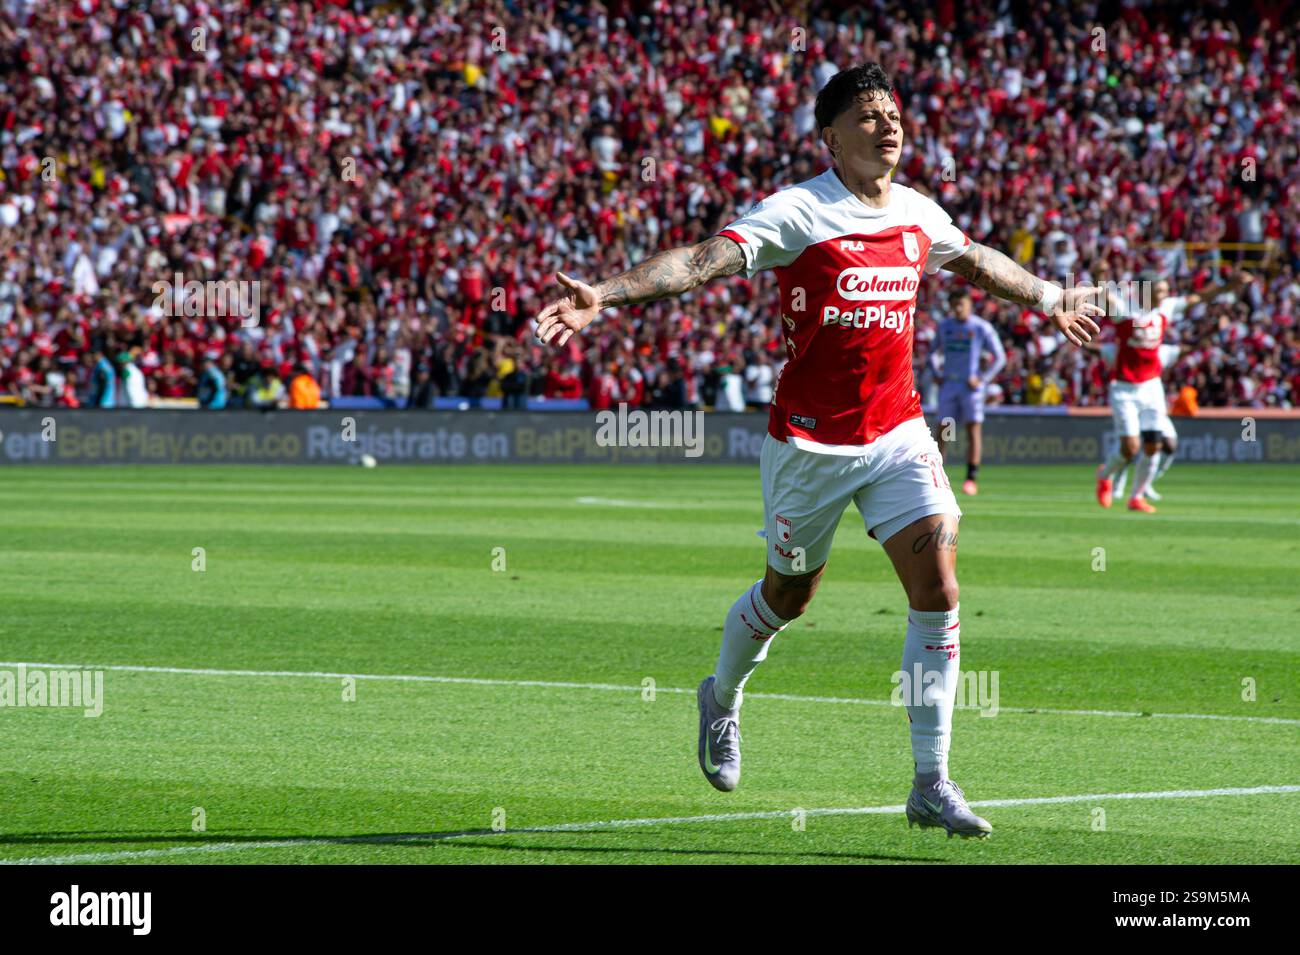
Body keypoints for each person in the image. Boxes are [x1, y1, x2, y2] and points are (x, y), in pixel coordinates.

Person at [534, 64, 1102, 839]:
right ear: (831, 137)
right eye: (869, 116)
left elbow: (974, 259)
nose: (889, 126)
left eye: (894, 112)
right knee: (788, 598)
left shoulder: (916, 211)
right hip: (809, 444)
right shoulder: (800, 211)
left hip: (899, 432)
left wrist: (1046, 295)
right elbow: (700, 262)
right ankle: (722, 698)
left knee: (937, 587)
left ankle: (931, 780)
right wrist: (606, 293)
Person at [1095, 272, 1251, 512]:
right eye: (1160, 291)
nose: (1165, 295)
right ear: (1144, 291)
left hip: (1151, 385)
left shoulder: (1165, 307)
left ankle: (1136, 497)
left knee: (1154, 444)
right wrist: (1099, 275)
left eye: (1166, 290)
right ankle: (1104, 475)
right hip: (1124, 387)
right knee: (1130, 448)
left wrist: (1230, 285)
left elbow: (1198, 298)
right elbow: (1104, 296)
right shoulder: (1124, 310)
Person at [930, 289, 1005, 495]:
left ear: (970, 305)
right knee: (946, 431)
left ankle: (971, 478)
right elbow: (932, 353)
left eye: (961, 304)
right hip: (950, 386)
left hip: (971, 389)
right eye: (954, 305)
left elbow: (1000, 357)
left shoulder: (980, 328)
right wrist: (937, 372)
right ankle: (939, 476)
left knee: (973, 430)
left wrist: (982, 378)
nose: (958, 308)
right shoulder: (945, 327)